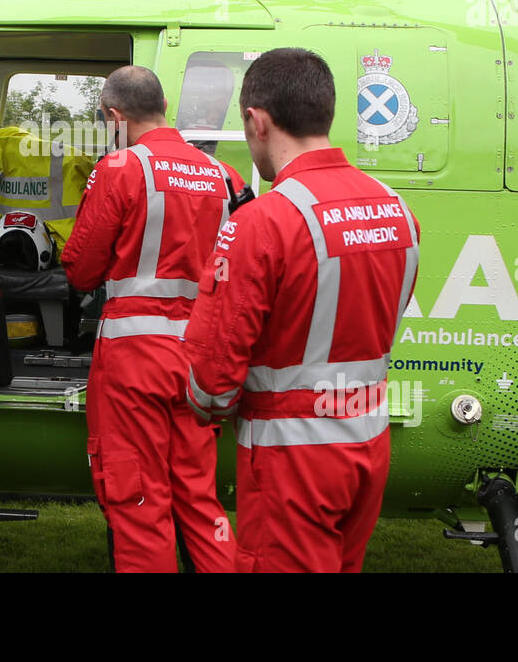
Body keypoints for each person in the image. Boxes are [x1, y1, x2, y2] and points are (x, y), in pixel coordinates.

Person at [185, 48, 419, 572]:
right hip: (368, 442)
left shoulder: (261, 222)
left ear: (255, 120)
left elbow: (212, 383)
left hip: (291, 457)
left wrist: (205, 405)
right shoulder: (396, 208)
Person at [61, 65, 240, 573]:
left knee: (138, 501)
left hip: (134, 360)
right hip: (202, 362)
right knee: (201, 503)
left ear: (115, 116)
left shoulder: (120, 169)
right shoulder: (228, 178)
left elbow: (81, 268)